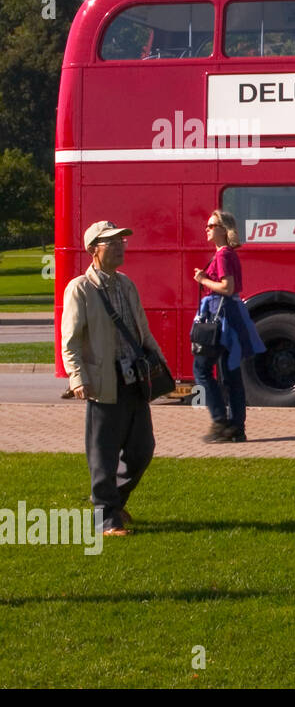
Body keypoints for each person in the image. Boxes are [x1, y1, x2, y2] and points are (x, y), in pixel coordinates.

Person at [60, 221, 163, 536]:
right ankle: (105, 519)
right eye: (112, 242)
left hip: (134, 379)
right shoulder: (80, 288)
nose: (120, 246)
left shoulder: (126, 284)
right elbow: (71, 340)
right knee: (102, 454)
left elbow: (141, 328)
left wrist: (158, 362)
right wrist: (77, 378)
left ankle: (113, 502)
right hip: (102, 381)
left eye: (122, 241)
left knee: (142, 449)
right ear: (94, 250)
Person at [191, 209, 260, 443]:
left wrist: (202, 280)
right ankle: (236, 427)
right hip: (232, 314)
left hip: (221, 317)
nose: (207, 229)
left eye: (211, 225)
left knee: (201, 368)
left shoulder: (222, 256)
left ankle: (220, 421)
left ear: (223, 229)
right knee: (231, 373)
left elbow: (227, 287)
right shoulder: (228, 254)